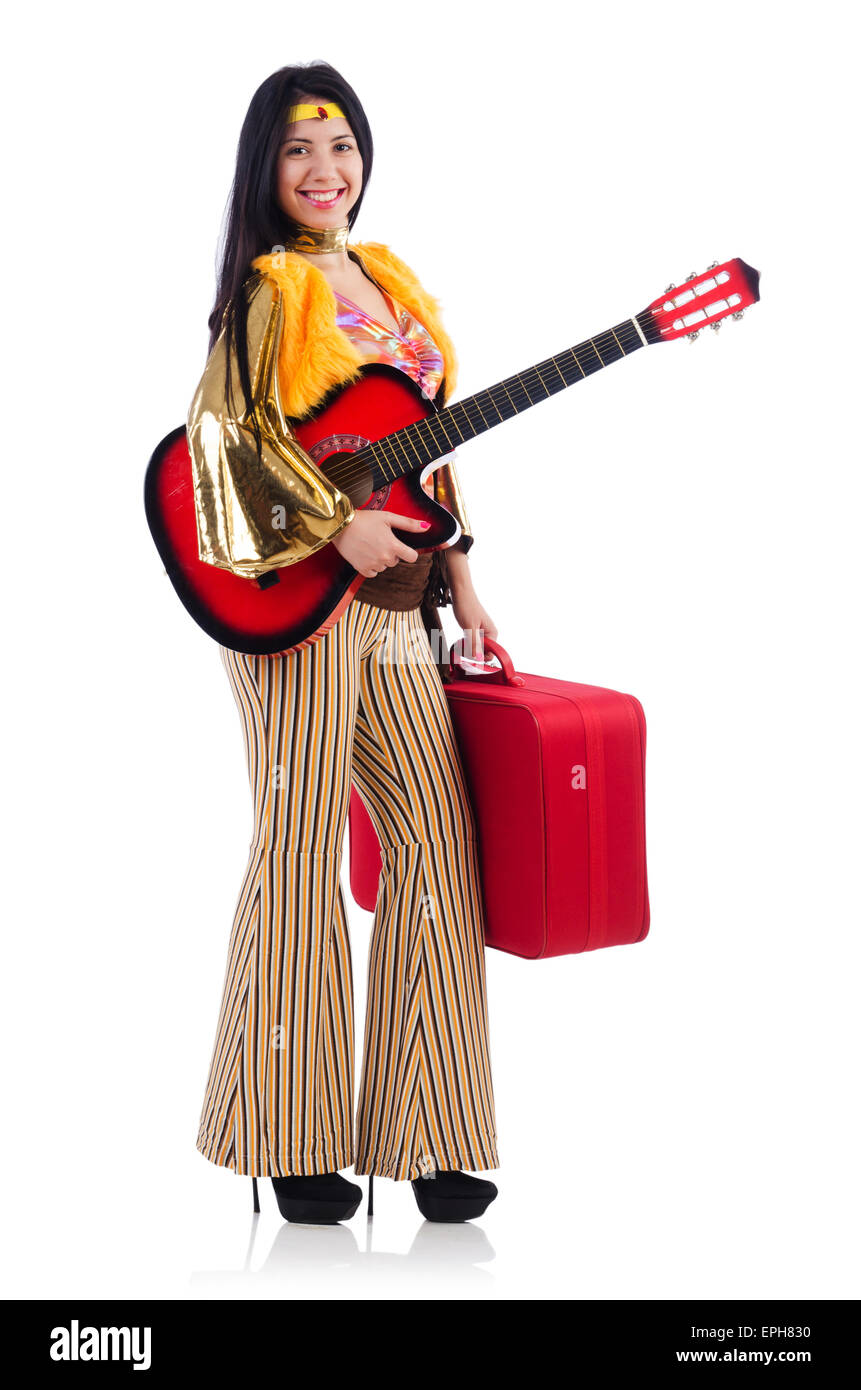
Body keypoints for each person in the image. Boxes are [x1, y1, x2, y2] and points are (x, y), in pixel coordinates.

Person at [186, 61, 500, 1225]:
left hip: (402, 609)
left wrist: (465, 579)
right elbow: (221, 448)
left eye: (343, 148)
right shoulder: (270, 294)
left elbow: (424, 451)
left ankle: (428, 1130)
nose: (326, 173)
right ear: (267, 173)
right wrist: (337, 521)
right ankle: (290, 1131)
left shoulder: (391, 285)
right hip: (296, 615)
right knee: (301, 843)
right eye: (299, 152)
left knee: (436, 840)